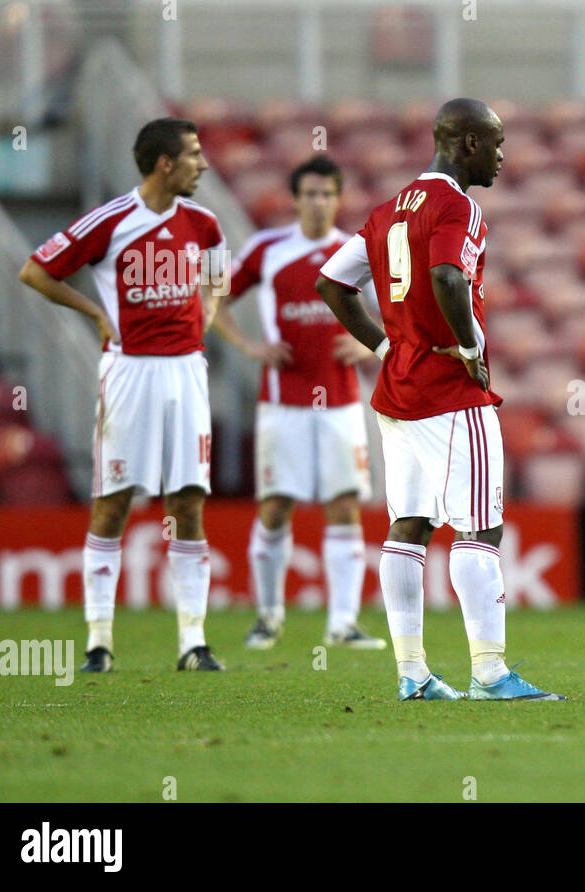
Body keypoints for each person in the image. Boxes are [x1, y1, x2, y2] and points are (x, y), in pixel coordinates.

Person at [316, 98, 564, 701]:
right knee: (480, 529)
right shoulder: (459, 207)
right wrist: (470, 345)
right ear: (469, 144)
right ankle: (489, 673)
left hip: (398, 389)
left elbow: (330, 281)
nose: (504, 156)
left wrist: (383, 347)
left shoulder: (385, 212)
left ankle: (413, 673)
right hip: (451, 392)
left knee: (410, 527)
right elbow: (447, 276)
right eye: (497, 143)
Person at [19, 117, 230, 671]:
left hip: (186, 371)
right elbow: (36, 272)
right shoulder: (111, 221)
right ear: (165, 163)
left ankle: (193, 641)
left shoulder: (205, 224)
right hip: (130, 371)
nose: (202, 164)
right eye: (192, 154)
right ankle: (99, 642)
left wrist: (205, 313)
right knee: (113, 502)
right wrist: (94, 312)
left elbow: (217, 277)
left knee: (187, 501)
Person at [211, 156, 386, 652]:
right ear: (295, 199)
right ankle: (267, 617)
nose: (318, 202)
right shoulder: (267, 249)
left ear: (338, 197)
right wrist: (248, 346)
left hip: (341, 400)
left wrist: (369, 342)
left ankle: (344, 622)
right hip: (281, 401)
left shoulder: (356, 249)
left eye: (327, 194)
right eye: (309, 194)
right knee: (275, 504)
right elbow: (214, 297)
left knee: (344, 504)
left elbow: (402, 304)